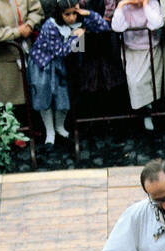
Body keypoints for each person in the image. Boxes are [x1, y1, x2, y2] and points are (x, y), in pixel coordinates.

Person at [27, 0, 108, 145]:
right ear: (60, 14)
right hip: (43, 65)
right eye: (67, 14)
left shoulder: (78, 20)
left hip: (62, 65)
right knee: (45, 98)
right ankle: (50, 131)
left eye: (74, 13)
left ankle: (59, 126)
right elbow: (60, 51)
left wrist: (87, 13)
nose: (71, 18)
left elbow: (103, 26)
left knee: (62, 98)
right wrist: (75, 36)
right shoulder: (50, 25)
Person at [0, 0, 41, 109]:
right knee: (12, 106)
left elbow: (37, 10)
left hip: (31, 55)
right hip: (5, 60)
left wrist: (29, 24)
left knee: (37, 100)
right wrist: (18, 32)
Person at [110, 0, 162, 129]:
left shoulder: (153, 4)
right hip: (132, 51)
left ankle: (148, 112)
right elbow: (117, 26)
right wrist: (121, 5)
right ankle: (143, 112)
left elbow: (156, 23)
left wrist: (145, 5)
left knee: (149, 83)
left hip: (150, 49)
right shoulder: (126, 7)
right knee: (135, 82)